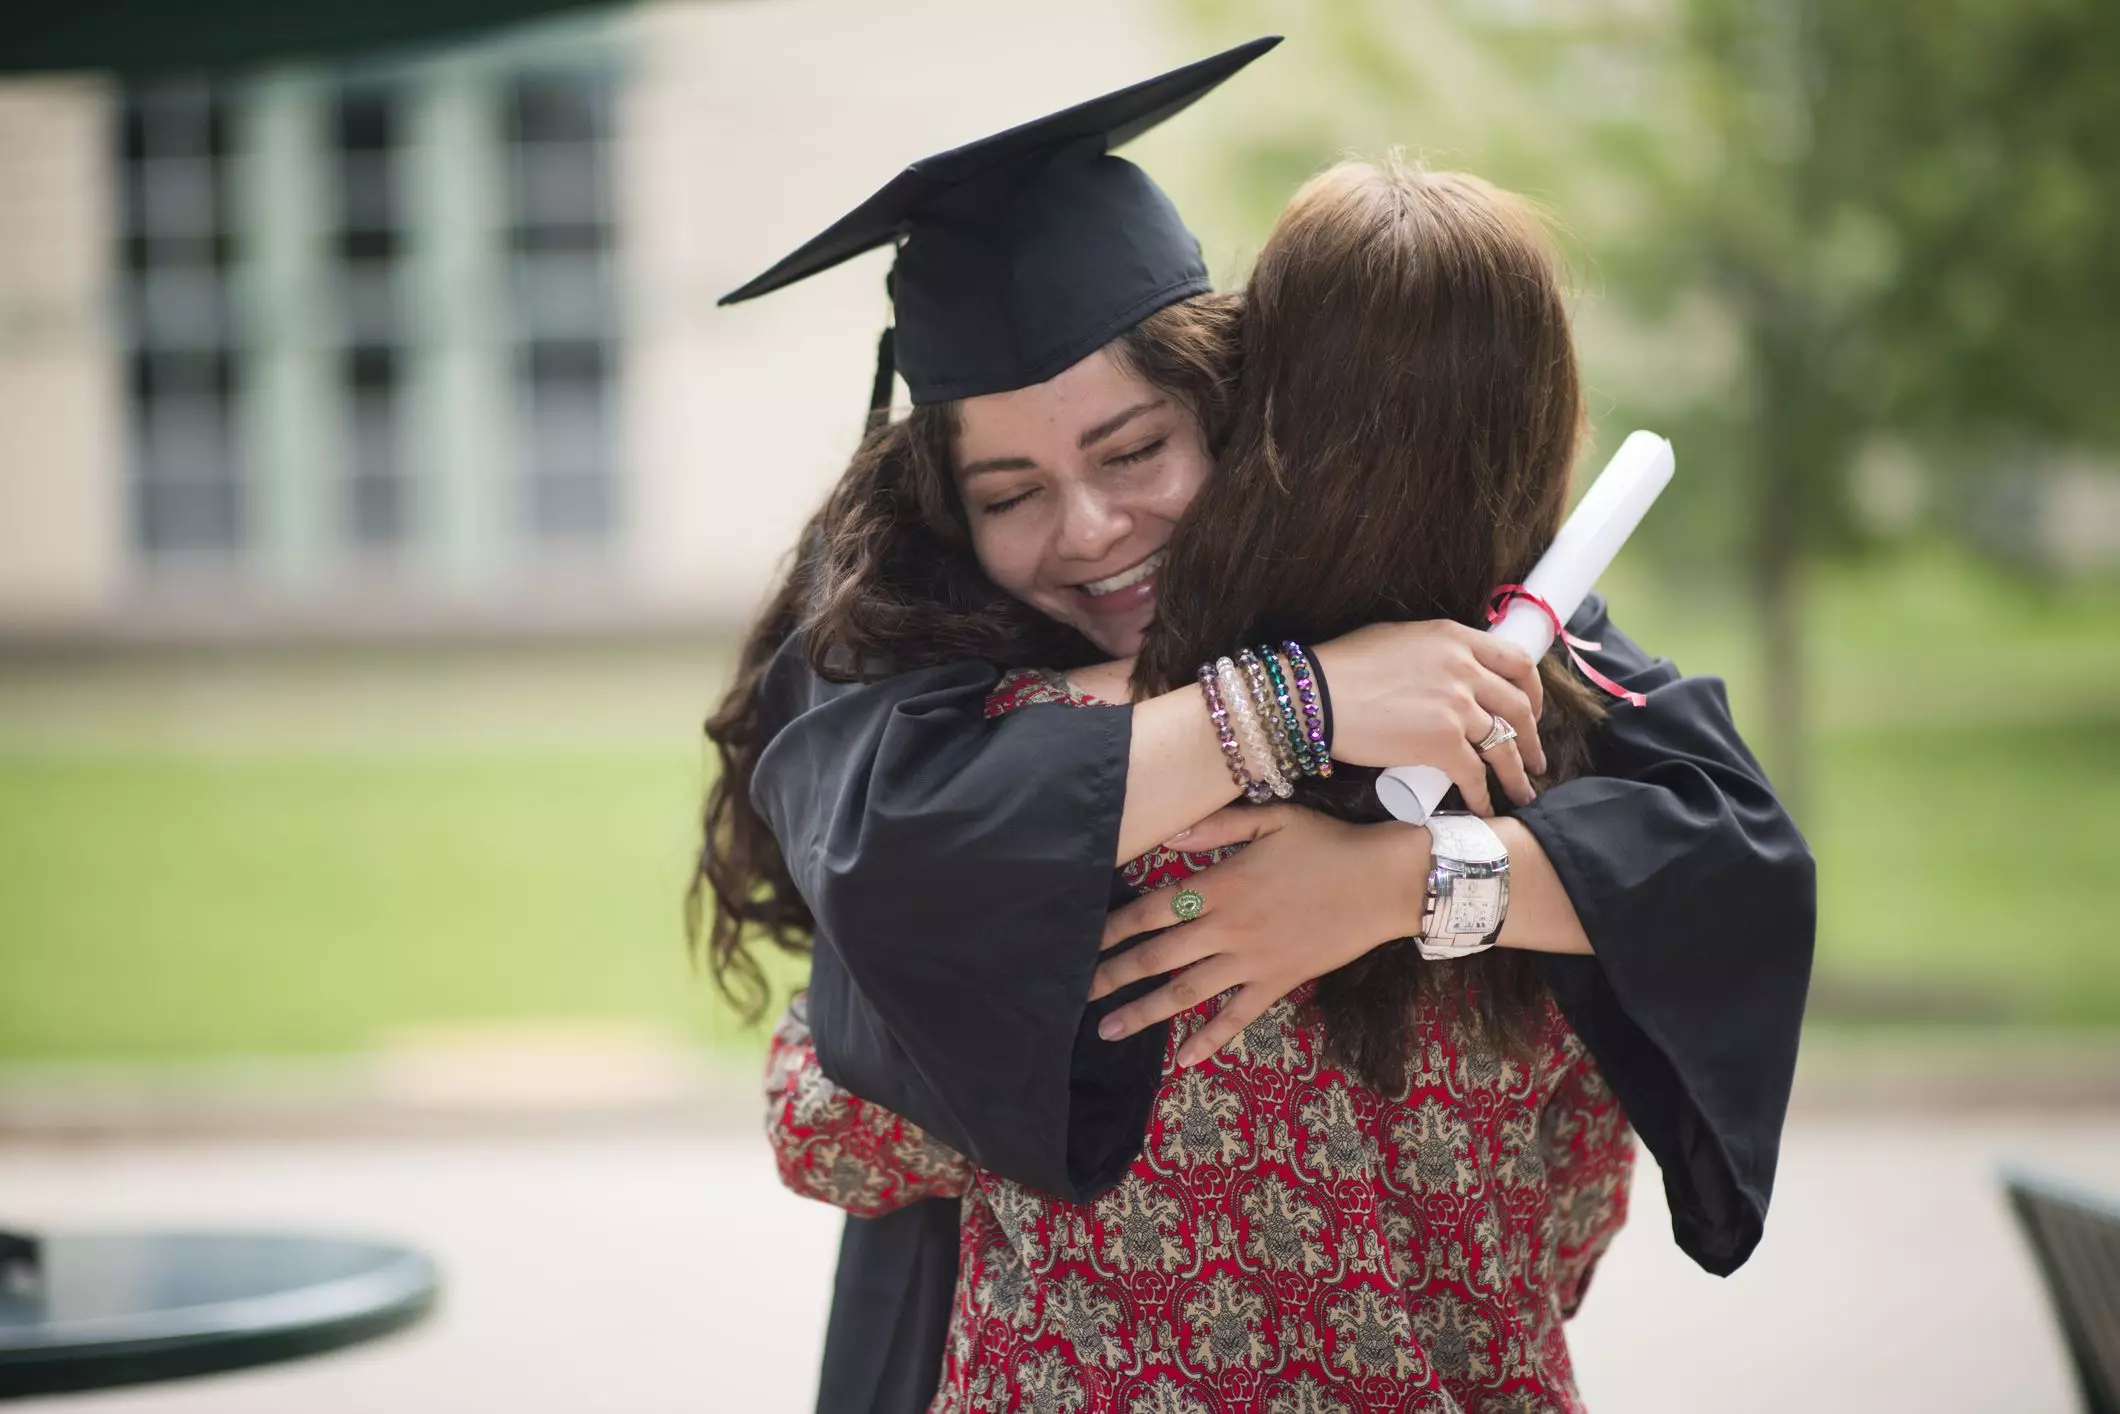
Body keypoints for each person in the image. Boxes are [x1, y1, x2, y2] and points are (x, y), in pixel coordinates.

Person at [701, 37, 1813, 1414]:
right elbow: (1575, 1194)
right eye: (1009, 494)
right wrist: (1303, 704)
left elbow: (1724, 841)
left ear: (1230, 408)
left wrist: (1395, 882)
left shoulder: (1458, 645)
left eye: (1135, 449)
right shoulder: (899, 656)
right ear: (944, 514)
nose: (1091, 530)